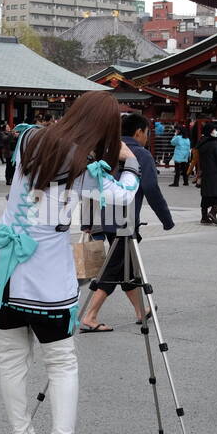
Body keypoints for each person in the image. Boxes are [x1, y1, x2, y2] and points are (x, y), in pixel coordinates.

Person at [0, 90, 140, 434]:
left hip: (5, 273)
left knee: (12, 357)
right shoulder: (88, 171)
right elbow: (124, 198)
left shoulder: (29, 139)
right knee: (61, 363)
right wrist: (129, 164)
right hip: (46, 281)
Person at [78, 113, 175, 333]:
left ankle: (142, 311)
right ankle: (90, 316)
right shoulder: (140, 154)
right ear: (139, 132)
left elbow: (92, 188)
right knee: (114, 268)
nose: (146, 137)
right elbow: (151, 189)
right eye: (147, 133)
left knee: (127, 267)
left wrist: (88, 220)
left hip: (106, 218)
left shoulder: (107, 151)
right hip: (127, 221)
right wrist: (166, 220)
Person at [197, 124, 217, 224]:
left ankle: (204, 217)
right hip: (216, 175)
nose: (216, 131)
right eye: (214, 130)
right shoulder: (215, 143)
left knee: (206, 197)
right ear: (210, 131)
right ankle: (212, 213)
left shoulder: (201, 143)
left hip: (206, 174)